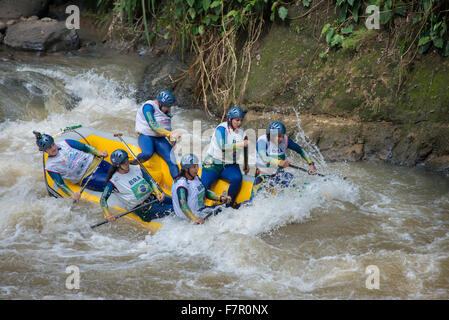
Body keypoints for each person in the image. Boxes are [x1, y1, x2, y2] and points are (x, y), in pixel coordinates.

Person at [100, 149, 173, 223]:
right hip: (144, 209)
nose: (127, 163)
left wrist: (157, 193)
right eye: (124, 163)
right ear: (117, 165)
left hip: (153, 198)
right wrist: (108, 215)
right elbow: (103, 199)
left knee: (176, 202)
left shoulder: (136, 168)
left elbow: (150, 181)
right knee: (174, 209)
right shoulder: (113, 181)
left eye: (127, 160)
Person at [34, 131, 111, 201]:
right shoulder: (50, 166)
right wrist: (72, 194)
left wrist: (98, 152)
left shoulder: (66, 143)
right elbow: (60, 184)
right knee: (113, 183)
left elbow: (84, 147)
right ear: (45, 151)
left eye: (53, 144)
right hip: (87, 177)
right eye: (49, 148)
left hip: (97, 162)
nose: (53, 148)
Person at [250, 121, 317, 199]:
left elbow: (300, 150)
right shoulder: (262, 141)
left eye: (282, 136)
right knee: (254, 199)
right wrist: (280, 162)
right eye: (278, 136)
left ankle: (306, 195)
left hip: (278, 174)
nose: (281, 139)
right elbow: (264, 158)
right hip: (262, 174)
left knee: (289, 178)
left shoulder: (286, 140)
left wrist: (311, 164)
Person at [200, 107, 249, 208]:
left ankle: (229, 205)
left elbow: (245, 147)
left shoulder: (242, 133)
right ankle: (199, 207)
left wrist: (246, 163)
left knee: (237, 178)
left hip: (230, 165)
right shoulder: (221, 129)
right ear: (230, 119)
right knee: (204, 186)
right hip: (213, 163)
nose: (239, 123)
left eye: (241, 120)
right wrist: (241, 144)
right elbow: (223, 147)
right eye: (237, 120)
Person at [134, 89, 182, 178]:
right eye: (167, 106)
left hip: (160, 139)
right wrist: (170, 134)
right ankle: (131, 165)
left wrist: (172, 140)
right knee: (148, 153)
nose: (169, 109)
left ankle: (178, 183)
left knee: (172, 160)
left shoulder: (166, 112)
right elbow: (153, 126)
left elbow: (167, 129)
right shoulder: (148, 107)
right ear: (160, 103)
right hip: (145, 136)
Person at [172, 154, 231, 224]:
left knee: (226, 210)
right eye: (194, 167)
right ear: (186, 169)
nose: (197, 169)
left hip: (201, 212)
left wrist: (220, 198)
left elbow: (205, 192)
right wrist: (195, 219)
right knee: (224, 211)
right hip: (190, 218)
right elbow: (183, 206)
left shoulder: (195, 177)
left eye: (197, 166)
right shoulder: (182, 185)